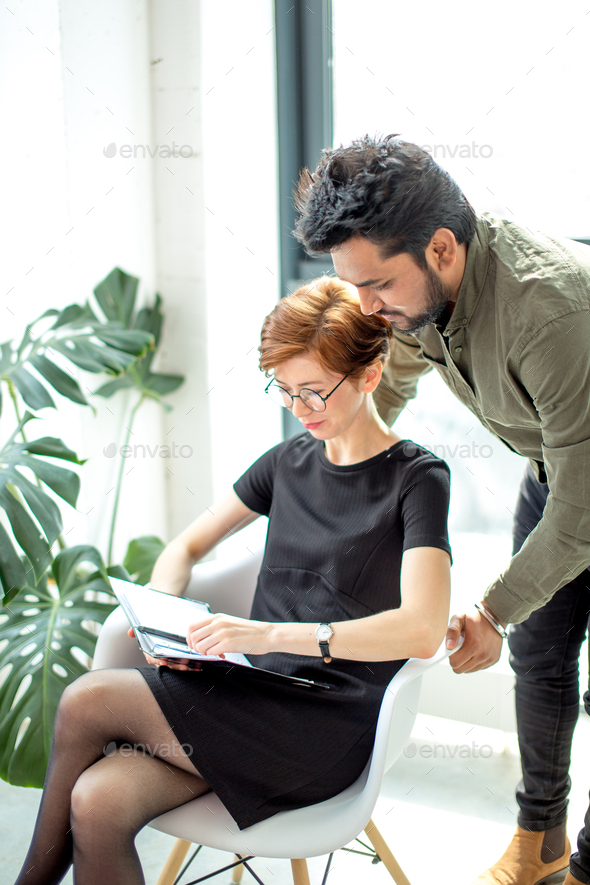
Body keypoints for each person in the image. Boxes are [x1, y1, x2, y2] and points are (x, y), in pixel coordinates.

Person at [13, 278, 452, 885]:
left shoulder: (417, 478)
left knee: (88, 699)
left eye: (316, 391)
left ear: (371, 374)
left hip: (325, 725)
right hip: (249, 696)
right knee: (98, 802)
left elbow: (423, 629)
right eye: (285, 390)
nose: (300, 409)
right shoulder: (287, 462)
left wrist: (272, 633)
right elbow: (185, 546)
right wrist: (162, 621)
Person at [292, 133, 590, 885]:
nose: (364, 307)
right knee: (542, 658)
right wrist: (341, 478)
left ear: (443, 249)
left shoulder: (546, 314)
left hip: (586, 483)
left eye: (377, 285)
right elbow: (388, 389)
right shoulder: (419, 301)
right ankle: (539, 839)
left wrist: (490, 610)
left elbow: (584, 509)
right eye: (350, 284)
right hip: (563, 466)